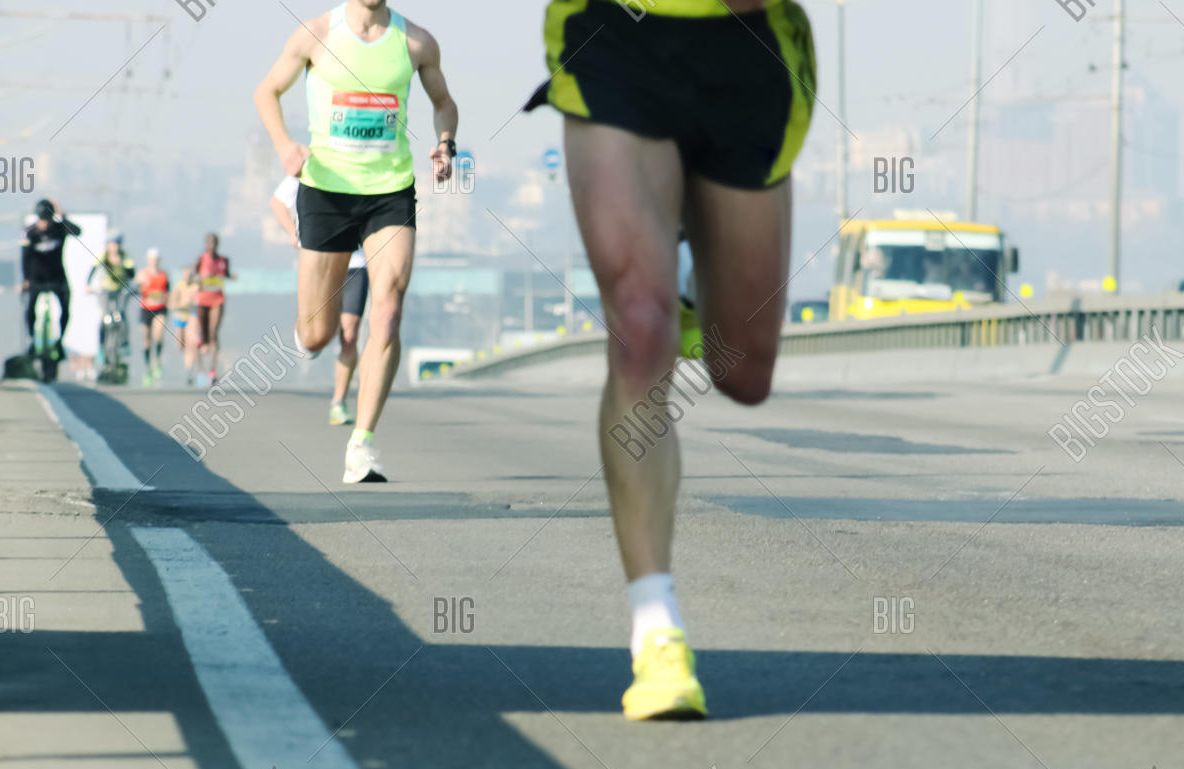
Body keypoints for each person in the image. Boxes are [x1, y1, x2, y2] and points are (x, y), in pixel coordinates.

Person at [529, 0, 816, 719]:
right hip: (615, 36)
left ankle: (683, 266)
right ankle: (657, 633)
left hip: (751, 46)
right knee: (639, 327)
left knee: (743, 370)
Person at [254, 0, 458, 483]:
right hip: (325, 192)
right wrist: (285, 146)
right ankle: (312, 339)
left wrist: (446, 144)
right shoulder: (316, 35)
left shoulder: (416, 42)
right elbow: (267, 91)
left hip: (389, 192)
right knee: (316, 335)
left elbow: (443, 101)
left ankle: (362, 444)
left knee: (387, 310)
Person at [272, 174, 367, 425]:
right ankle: (307, 331)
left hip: (356, 265)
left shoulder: (364, 160)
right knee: (317, 335)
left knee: (350, 333)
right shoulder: (312, 162)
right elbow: (278, 202)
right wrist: (294, 233)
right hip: (321, 259)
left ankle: (338, 401)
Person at [19, 199, 81, 358]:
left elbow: (77, 231)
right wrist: (26, 279)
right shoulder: (30, 232)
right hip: (37, 278)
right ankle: (32, 340)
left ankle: (59, 341)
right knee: (30, 308)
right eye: (42, 220)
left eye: (47, 220)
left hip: (57, 277)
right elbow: (25, 257)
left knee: (66, 306)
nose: (44, 224)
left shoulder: (59, 229)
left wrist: (63, 217)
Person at [194, 233, 235, 383]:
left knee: (213, 333)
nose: (212, 245)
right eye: (209, 242)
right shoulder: (201, 259)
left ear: (218, 244)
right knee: (203, 335)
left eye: (214, 242)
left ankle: (212, 370)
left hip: (217, 299)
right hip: (203, 299)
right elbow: (192, 277)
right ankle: (200, 369)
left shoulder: (224, 260)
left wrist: (231, 277)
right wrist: (200, 279)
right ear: (206, 244)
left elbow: (228, 274)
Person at [135, 248, 171, 385]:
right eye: (152, 259)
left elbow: (167, 291)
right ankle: (147, 367)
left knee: (159, 336)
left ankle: (158, 360)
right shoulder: (142, 274)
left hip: (160, 308)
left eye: (156, 259)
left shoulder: (164, 274)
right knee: (147, 340)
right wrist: (142, 286)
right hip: (146, 309)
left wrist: (166, 299)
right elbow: (137, 289)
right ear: (148, 260)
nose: (154, 261)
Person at [169, 267, 201, 383]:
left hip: (192, 317)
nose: (187, 277)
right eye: (185, 275)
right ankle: (189, 366)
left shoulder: (196, 287)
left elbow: (199, 302)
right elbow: (171, 304)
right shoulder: (178, 287)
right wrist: (183, 304)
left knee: (190, 344)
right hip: (179, 317)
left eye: (189, 275)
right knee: (180, 345)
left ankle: (190, 370)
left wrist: (193, 303)